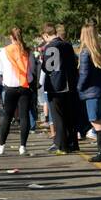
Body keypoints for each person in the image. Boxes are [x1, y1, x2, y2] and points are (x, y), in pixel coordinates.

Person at [0, 27, 35, 155]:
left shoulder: (5, 51)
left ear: (11, 37)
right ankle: (23, 147)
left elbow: (1, 70)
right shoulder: (27, 51)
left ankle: (1, 145)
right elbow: (31, 70)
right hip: (25, 86)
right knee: (24, 116)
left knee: (8, 116)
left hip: (10, 86)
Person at [40, 22, 81, 154]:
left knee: (58, 116)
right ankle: (72, 142)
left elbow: (48, 68)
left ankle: (62, 144)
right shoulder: (67, 45)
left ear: (46, 35)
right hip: (70, 84)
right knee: (70, 115)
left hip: (55, 85)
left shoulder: (50, 47)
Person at [77, 20, 101, 162]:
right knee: (99, 120)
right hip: (99, 90)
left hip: (90, 92)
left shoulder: (85, 53)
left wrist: (78, 87)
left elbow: (84, 74)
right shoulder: (96, 51)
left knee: (96, 120)